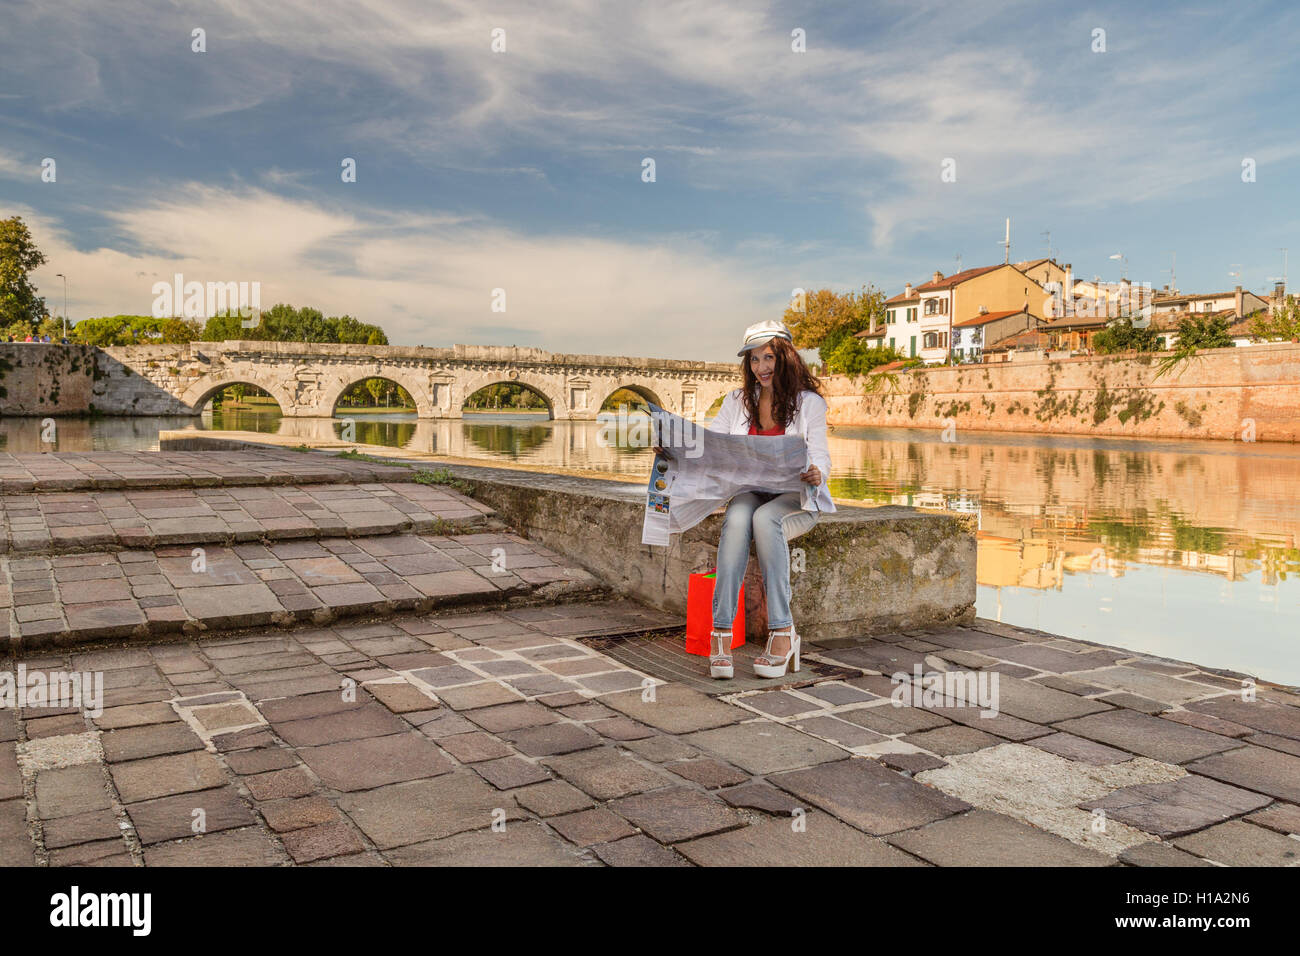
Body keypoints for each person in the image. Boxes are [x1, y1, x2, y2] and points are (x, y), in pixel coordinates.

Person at [703, 319, 834, 679]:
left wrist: (816, 472)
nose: (761, 367)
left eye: (769, 357)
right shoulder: (736, 402)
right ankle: (720, 632)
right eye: (754, 359)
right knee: (737, 517)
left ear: (786, 358)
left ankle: (782, 630)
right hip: (753, 491)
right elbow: (711, 445)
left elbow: (821, 455)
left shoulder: (810, 404)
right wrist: (674, 447)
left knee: (764, 519)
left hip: (795, 497)